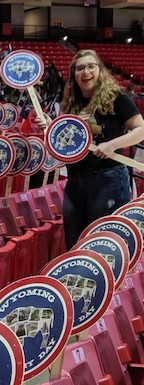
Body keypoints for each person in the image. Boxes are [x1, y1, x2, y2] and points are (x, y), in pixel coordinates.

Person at [54, 50, 144, 248]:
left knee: (103, 244)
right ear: (73, 74)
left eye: (90, 66)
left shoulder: (115, 96)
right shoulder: (71, 102)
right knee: (74, 244)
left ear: (99, 70)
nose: (85, 72)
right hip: (76, 180)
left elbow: (141, 129)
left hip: (108, 178)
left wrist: (113, 144)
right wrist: (49, 130)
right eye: (80, 68)